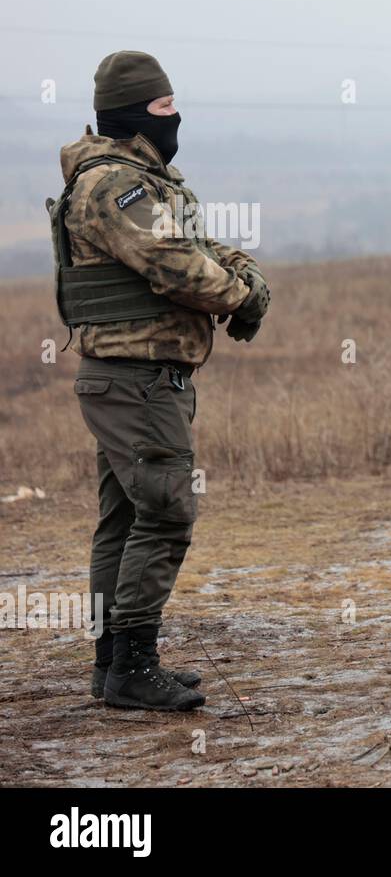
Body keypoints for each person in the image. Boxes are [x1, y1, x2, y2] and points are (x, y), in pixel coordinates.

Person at [51, 51, 271, 709]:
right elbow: (174, 263)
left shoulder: (144, 182)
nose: (176, 117)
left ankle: (112, 665)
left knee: (125, 521)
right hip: (134, 379)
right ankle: (132, 666)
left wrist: (243, 273)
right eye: (164, 106)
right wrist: (240, 297)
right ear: (132, 113)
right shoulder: (114, 187)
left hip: (132, 379)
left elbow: (197, 246)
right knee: (167, 513)